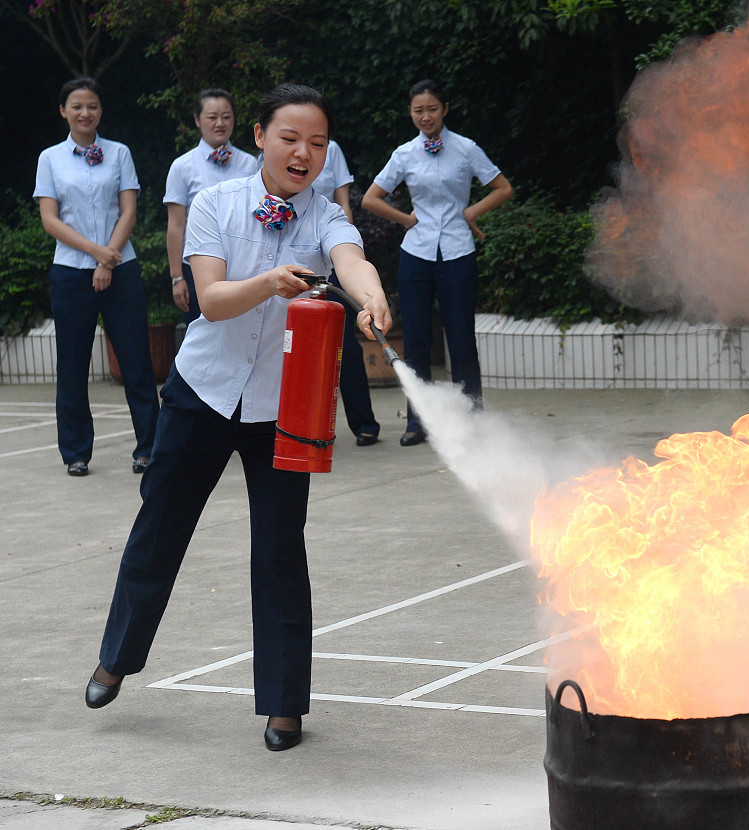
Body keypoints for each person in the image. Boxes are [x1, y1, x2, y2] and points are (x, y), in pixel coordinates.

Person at [84, 84, 392, 752]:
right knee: (159, 526)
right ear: (259, 136)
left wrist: (371, 302)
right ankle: (118, 656)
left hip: (283, 408)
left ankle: (285, 708)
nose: (303, 153)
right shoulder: (214, 203)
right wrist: (272, 281)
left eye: (317, 143)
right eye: (290, 138)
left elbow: (352, 261)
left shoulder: (325, 219)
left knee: (281, 550)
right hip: (203, 392)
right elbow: (213, 299)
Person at [362, 79, 513, 446]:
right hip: (417, 254)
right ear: (410, 113)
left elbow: (503, 187)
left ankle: (471, 419)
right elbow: (371, 198)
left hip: (458, 253)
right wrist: (405, 220)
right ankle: (419, 422)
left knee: (461, 338)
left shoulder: (465, 148)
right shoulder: (404, 154)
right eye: (418, 110)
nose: (425, 116)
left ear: (445, 108)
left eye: (432, 108)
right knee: (414, 340)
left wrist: (470, 212)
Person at [34, 77, 160, 477]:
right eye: (76, 106)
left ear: (100, 111)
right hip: (71, 272)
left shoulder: (119, 153)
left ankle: (149, 448)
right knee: (71, 365)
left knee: (137, 361)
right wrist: (94, 254)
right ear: (63, 112)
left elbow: (129, 211)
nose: (84, 113)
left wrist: (108, 263)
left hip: (121, 269)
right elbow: (50, 220)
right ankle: (75, 453)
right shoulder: (50, 158)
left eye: (91, 106)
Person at [164, 88, 259, 326]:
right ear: (197, 120)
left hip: (242, 267)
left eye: (226, 117)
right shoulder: (182, 166)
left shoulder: (250, 162)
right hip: (197, 269)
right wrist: (177, 278)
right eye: (212, 117)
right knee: (201, 334)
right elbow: (176, 225)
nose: (220, 123)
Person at [312, 138, 382, 445]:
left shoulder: (333, 150)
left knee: (346, 347)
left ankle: (363, 423)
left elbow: (344, 204)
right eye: (288, 138)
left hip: (330, 260)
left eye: (315, 141)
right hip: (285, 276)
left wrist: (371, 295)